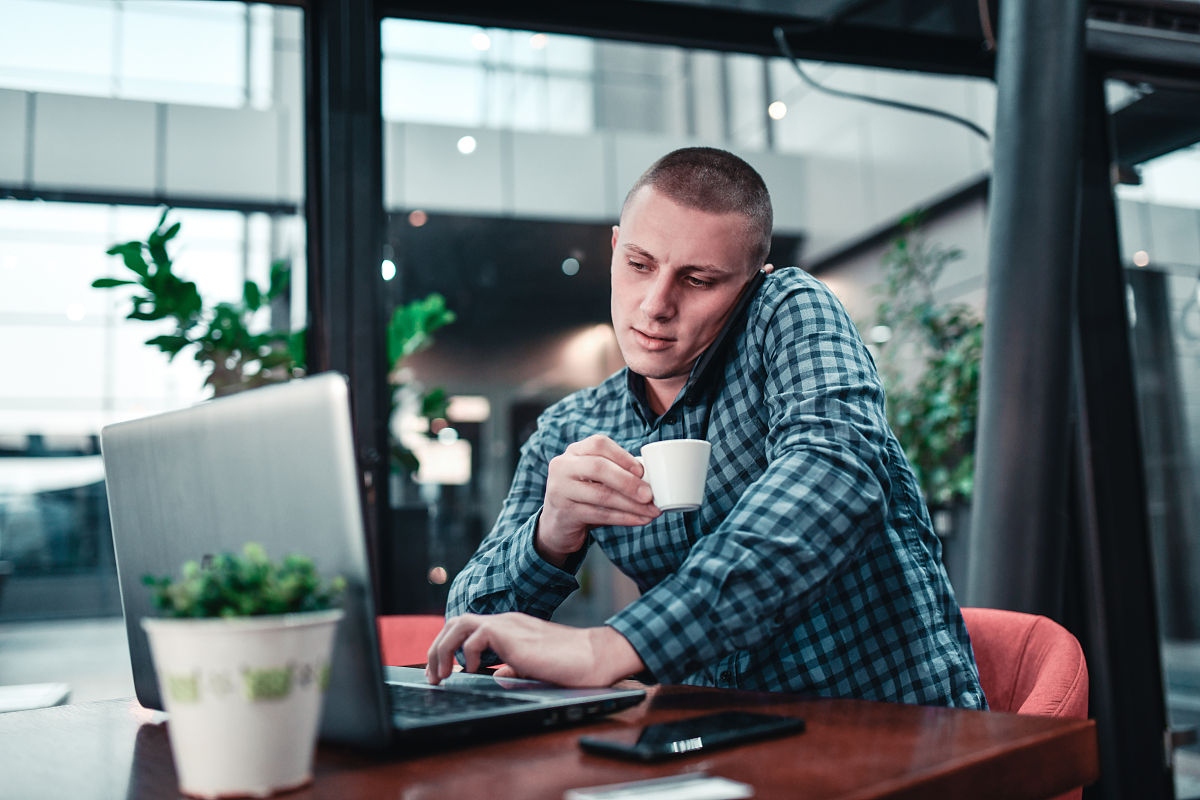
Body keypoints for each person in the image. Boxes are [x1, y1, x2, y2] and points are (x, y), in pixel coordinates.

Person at [426, 146, 985, 708]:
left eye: (698, 280)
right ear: (617, 248)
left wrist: (614, 647)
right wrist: (552, 533)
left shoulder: (785, 314)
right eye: (640, 265)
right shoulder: (571, 428)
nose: (655, 305)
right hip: (718, 748)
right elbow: (469, 630)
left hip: (891, 728)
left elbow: (835, 472)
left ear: (750, 285)